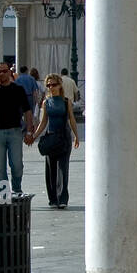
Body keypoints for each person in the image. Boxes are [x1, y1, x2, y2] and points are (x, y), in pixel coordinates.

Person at [0, 62, 34, 196]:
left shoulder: (18, 89)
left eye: (4, 71)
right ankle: (5, 194)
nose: (1, 74)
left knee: (17, 165)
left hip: (14, 131)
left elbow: (27, 111)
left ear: (10, 73)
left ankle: (16, 188)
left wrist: (29, 130)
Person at [31, 74, 80, 208]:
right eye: (48, 85)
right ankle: (53, 198)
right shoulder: (46, 103)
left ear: (59, 85)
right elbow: (43, 122)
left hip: (64, 137)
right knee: (51, 168)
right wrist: (34, 136)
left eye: (53, 84)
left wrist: (76, 135)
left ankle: (62, 198)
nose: (51, 87)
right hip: (51, 136)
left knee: (63, 168)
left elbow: (71, 119)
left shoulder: (66, 101)